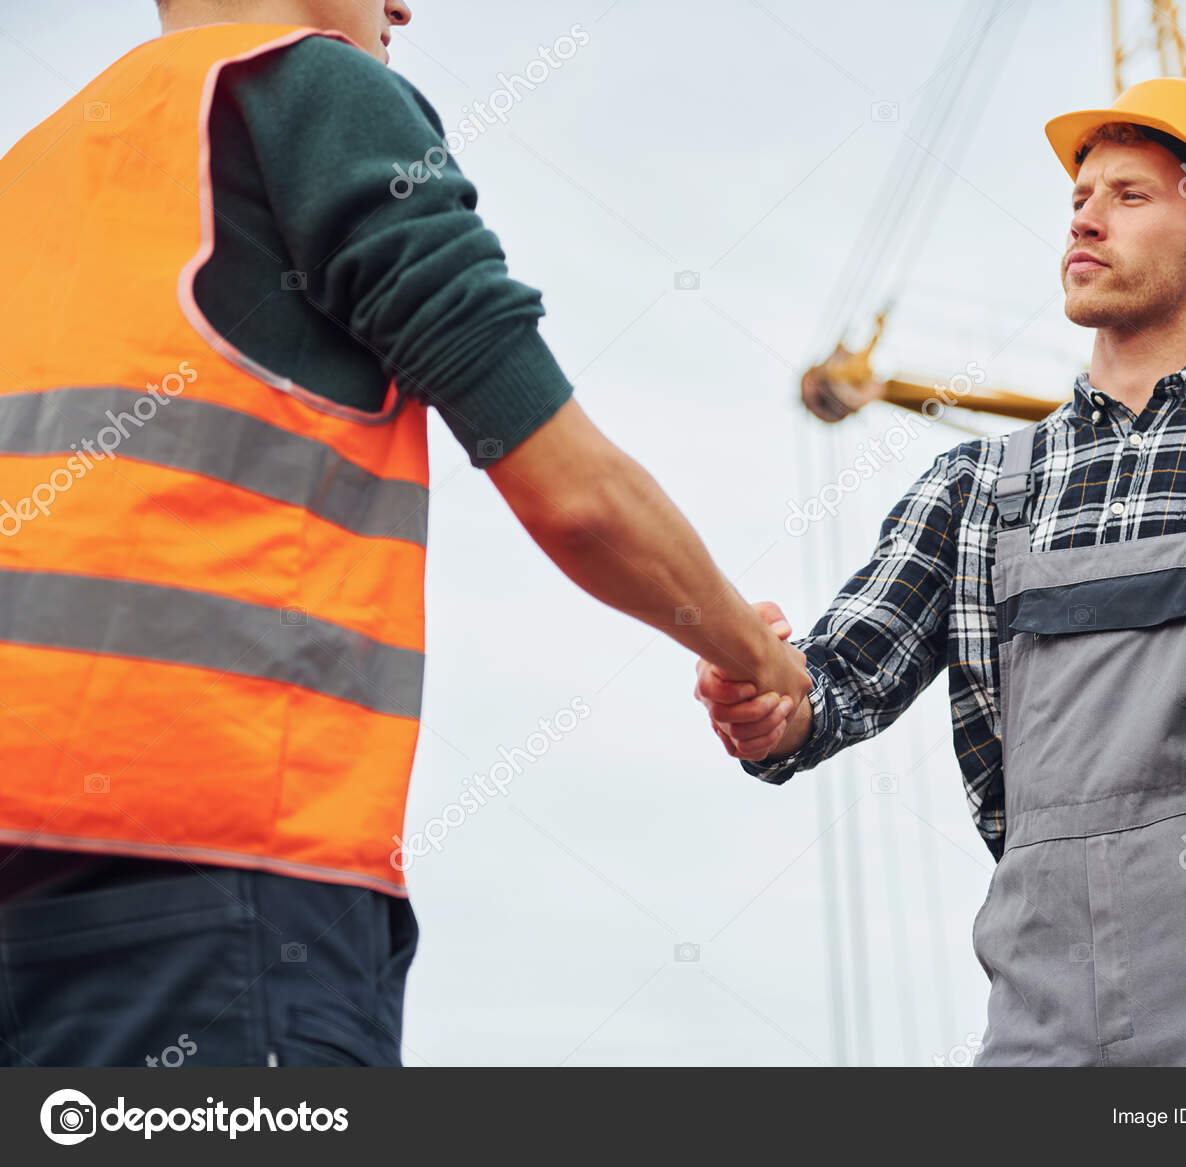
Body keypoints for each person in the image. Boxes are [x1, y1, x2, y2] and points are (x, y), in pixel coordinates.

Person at [0, 0, 809, 1066]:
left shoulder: (35, 166)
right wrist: (758, 661)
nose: (402, 7)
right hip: (218, 874)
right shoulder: (308, 94)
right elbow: (571, 489)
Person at [696, 78, 1186, 1066]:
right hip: (1038, 1022)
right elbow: (832, 687)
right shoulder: (974, 484)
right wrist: (764, 697)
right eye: (1077, 198)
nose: (1085, 217)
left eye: (1129, 196)